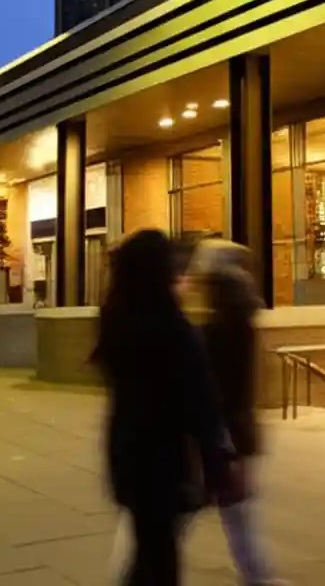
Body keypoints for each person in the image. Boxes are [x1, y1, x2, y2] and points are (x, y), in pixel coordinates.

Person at [92, 229, 238, 586]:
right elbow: (201, 405)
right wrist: (219, 465)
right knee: (159, 561)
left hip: (128, 455)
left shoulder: (116, 322)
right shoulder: (175, 330)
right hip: (164, 463)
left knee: (149, 551)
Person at [186, 239, 281, 585]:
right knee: (236, 511)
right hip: (233, 430)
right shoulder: (241, 317)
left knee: (188, 510)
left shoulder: (211, 325)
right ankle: (257, 577)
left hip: (216, 431)